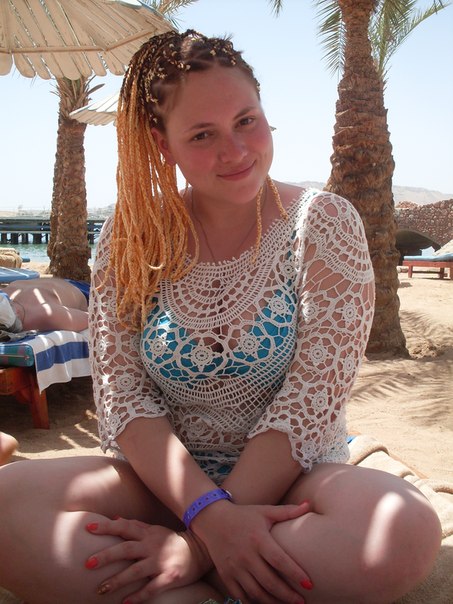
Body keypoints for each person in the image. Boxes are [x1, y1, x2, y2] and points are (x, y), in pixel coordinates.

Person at [0, 30, 441, 604]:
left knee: (405, 528)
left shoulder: (323, 224)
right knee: (7, 503)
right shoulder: (132, 236)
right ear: (163, 145)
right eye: (203, 134)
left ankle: (186, 580)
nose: (235, 151)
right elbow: (123, 395)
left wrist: (200, 546)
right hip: (161, 486)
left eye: (246, 121)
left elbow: (310, 401)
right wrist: (206, 514)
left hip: (295, 486)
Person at [0, 277, 88, 333]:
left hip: (83, 291)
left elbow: (90, 319)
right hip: (62, 284)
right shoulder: (5, 293)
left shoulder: (44, 312)